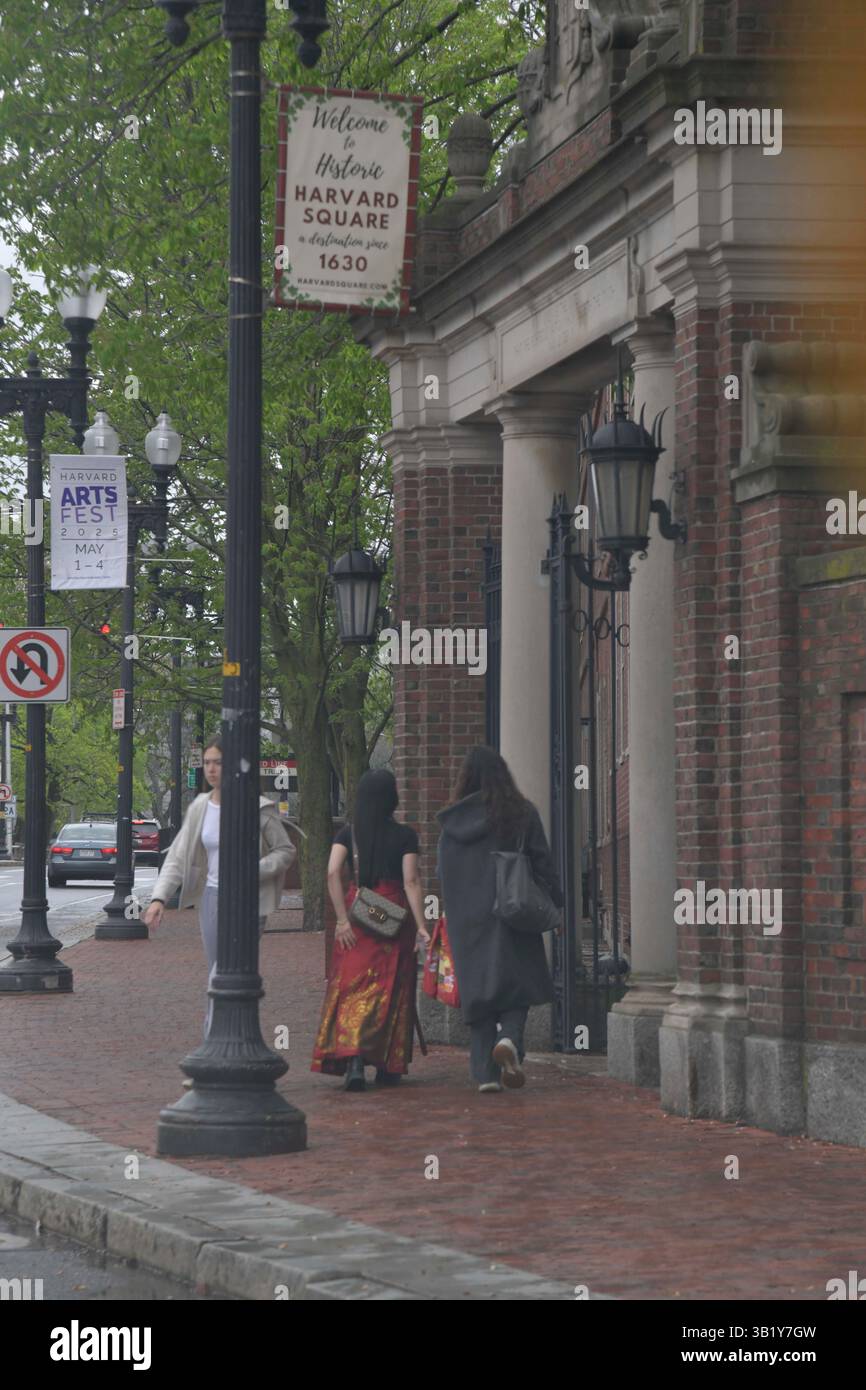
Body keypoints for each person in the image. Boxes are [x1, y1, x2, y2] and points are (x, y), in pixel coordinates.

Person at [142, 736, 296, 1035]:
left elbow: (285, 851)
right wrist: (159, 898)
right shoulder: (201, 806)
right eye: (208, 763)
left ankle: (215, 1042)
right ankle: (232, 1036)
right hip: (211, 897)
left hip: (248, 900)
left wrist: (252, 871)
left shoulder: (257, 808)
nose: (211, 769)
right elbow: (178, 854)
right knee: (218, 968)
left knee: (225, 972)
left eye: (219, 763)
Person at [436, 745, 562, 1093]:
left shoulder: (451, 824)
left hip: (467, 921)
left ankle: (485, 1076)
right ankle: (508, 1039)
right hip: (512, 911)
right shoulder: (521, 813)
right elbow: (542, 863)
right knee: (515, 986)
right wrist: (556, 903)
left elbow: (440, 872)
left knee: (479, 994)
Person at [312, 768, 430, 1092]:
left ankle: (352, 1060)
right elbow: (411, 881)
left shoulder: (348, 834)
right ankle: (387, 1064)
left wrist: (341, 920)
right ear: (392, 798)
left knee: (352, 986)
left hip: (358, 913)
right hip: (392, 917)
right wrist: (421, 926)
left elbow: (333, 871)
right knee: (392, 989)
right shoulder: (406, 836)